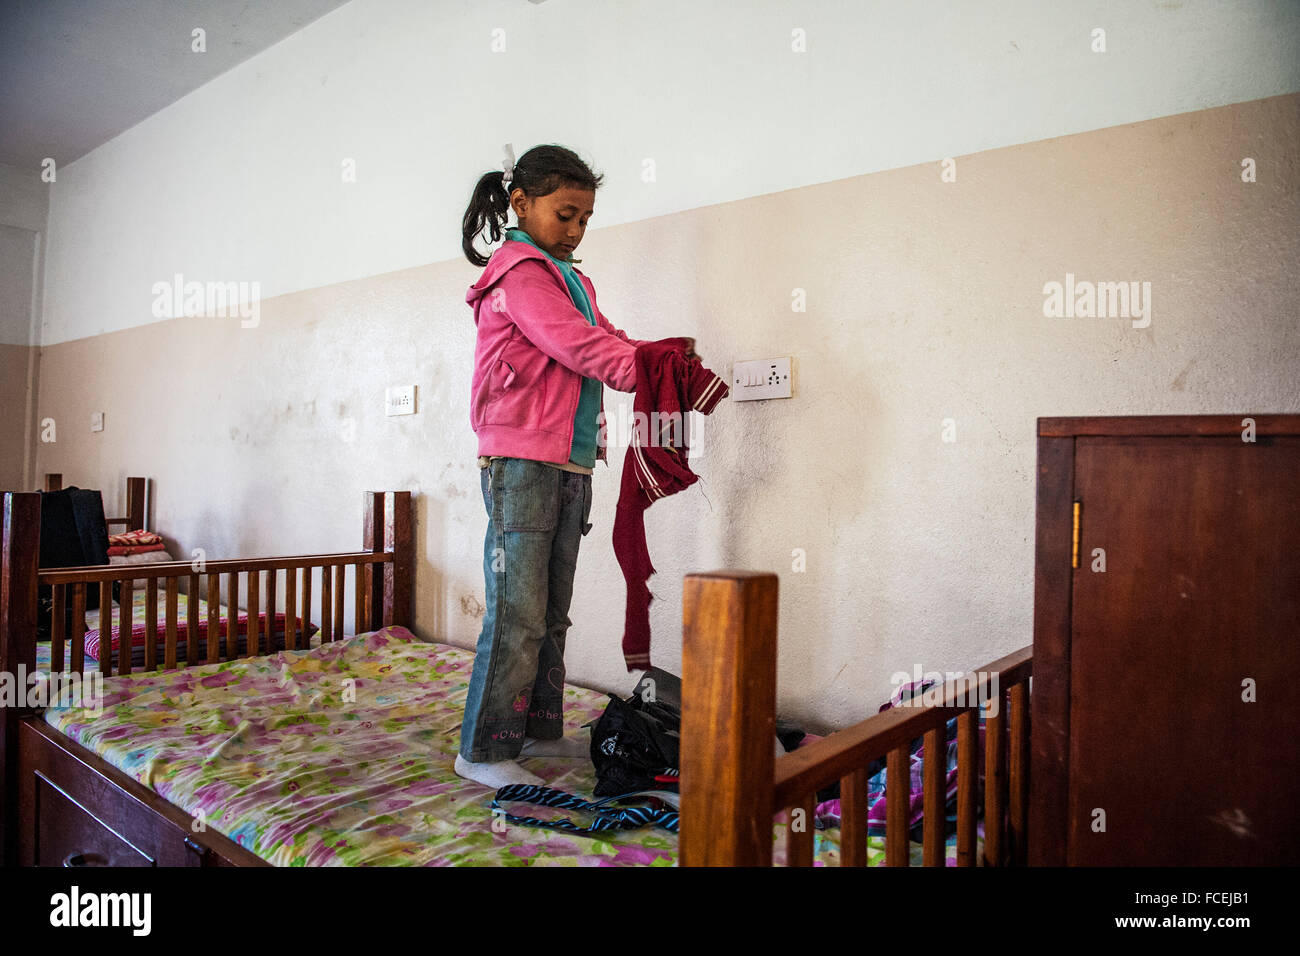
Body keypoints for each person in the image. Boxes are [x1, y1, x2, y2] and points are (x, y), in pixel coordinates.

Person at [456, 144, 697, 788]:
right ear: (520, 204)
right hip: (521, 461)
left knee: (552, 610)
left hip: (569, 460)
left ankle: (534, 733)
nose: (576, 229)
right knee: (518, 611)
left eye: (585, 218)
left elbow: (609, 336)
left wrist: (666, 360)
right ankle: (482, 749)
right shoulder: (519, 273)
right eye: (565, 214)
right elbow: (577, 345)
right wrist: (640, 369)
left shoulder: (570, 278)